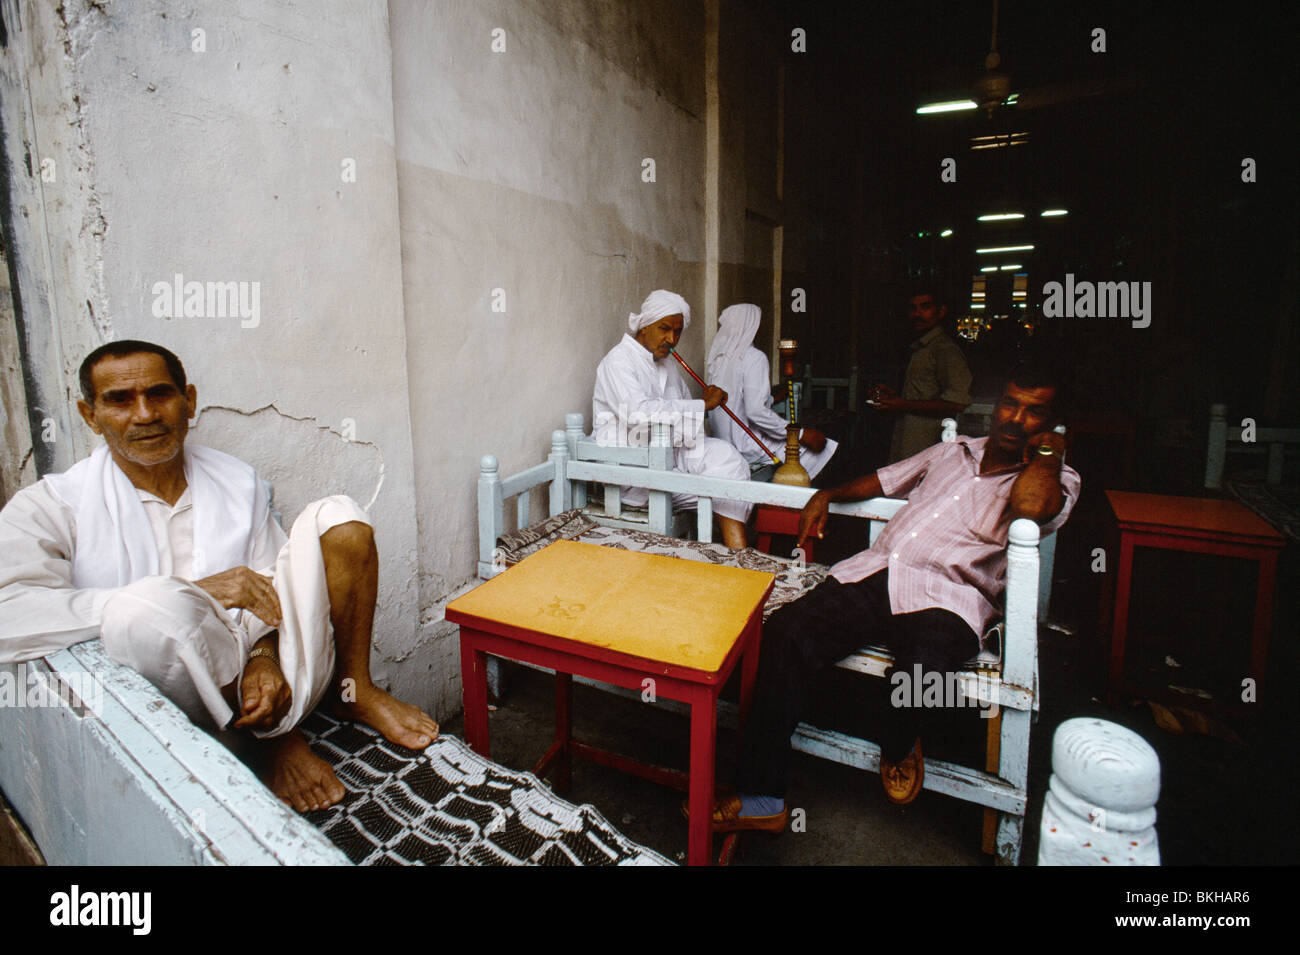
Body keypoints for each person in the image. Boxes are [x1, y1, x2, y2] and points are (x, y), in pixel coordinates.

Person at [0, 341, 439, 813]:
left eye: (160, 394)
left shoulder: (235, 479)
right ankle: (267, 744)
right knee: (145, 608)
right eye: (120, 399)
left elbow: (267, 589)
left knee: (342, 520)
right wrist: (192, 593)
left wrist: (265, 657)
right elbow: (10, 611)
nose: (145, 414)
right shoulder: (53, 503)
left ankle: (354, 692)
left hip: (254, 660)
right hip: (159, 687)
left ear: (188, 400)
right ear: (91, 415)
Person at [699, 358, 1080, 831]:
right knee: (786, 631)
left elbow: (1030, 510)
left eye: (1034, 412)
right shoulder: (953, 451)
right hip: (879, 571)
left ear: (1052, 424)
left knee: (922, 672)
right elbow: (885, 479)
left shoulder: (1056, 478)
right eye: (1010, 404)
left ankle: (899, 744)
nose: (1016, 419)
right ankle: (762, 799)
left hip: (951, 596)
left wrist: (1049, 452)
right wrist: (829, 494)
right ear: (997, 403)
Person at [593, 289, 752, 549]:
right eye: (664, 328)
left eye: (677, 331)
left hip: (668, 451)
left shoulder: (666, 362)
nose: (671, 338)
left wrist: (699, 408)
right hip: (633, 465)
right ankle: (736, 555)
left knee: (728, 459)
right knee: (721, 488)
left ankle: (737, 552)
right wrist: (701, 405)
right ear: (644, 326)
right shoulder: (618, 361)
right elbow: (639, 414)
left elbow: (681, 413)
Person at [705, 303, 837, 483]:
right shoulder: (754, 357)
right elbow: (754, 411)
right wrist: (800, 434)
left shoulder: (718, 361)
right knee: (825, 448)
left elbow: (737, 401)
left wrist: (772, 399)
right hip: (750, 447)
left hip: (725, 444)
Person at [871, 290, 973, 463]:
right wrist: (895, 398)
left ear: (941, 312)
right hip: (907, 439)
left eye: (925, 307)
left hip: (928, 444)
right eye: (913, 308)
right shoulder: (921, 347)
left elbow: (957, 403)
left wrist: (903, 404)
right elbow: (922, 392)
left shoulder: (945, 350)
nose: (917, 314)